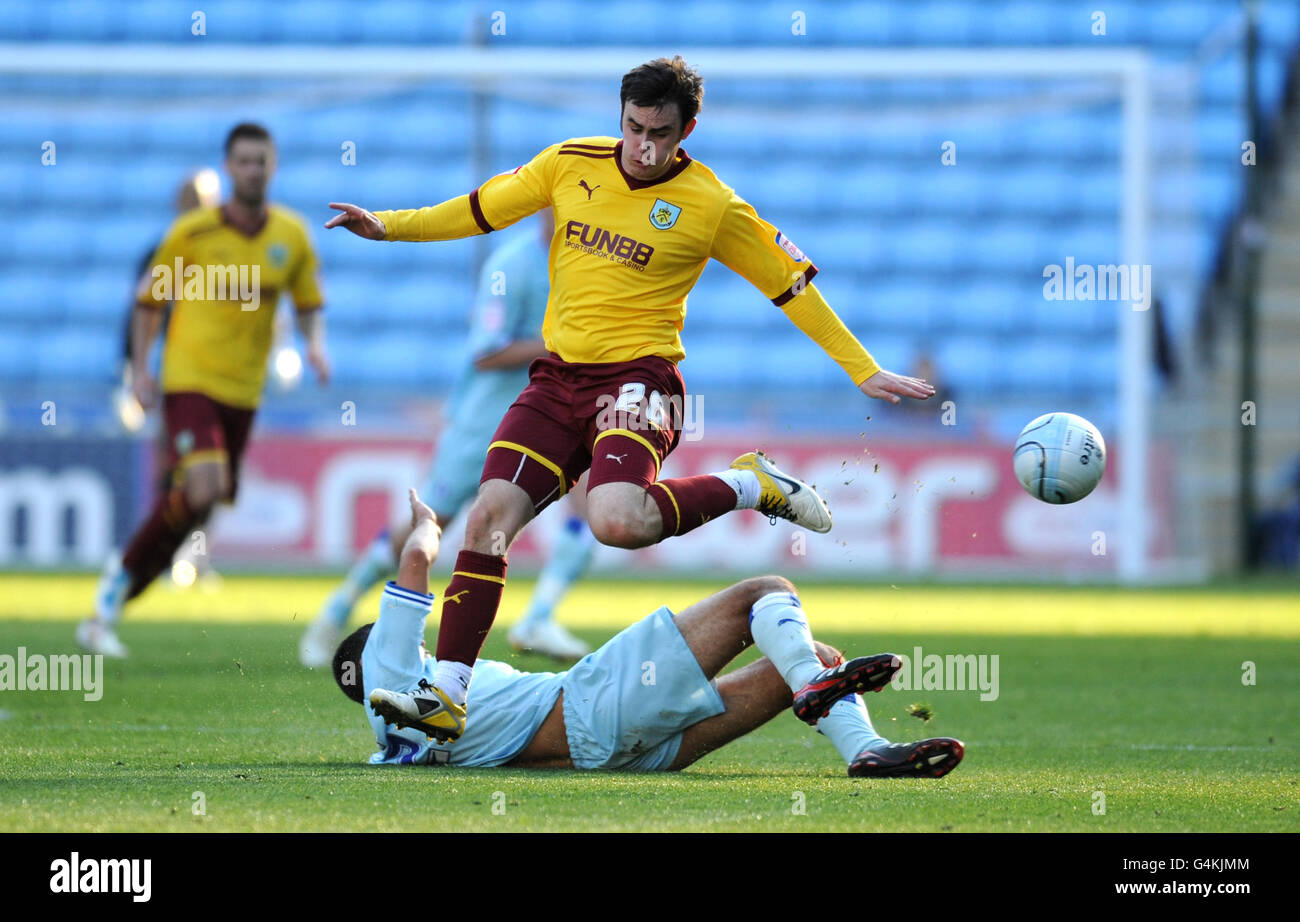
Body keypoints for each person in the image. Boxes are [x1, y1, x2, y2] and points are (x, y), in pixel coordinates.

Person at [325, 56, 935, 741]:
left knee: (619, 522)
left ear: (688, 129)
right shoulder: (569, 163)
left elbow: (788, 285)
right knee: (487, 518)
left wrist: (862, 368)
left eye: (660, 133)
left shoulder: (712, 204)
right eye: (633, 127)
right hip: (557, 380)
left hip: (642, 380)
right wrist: (388, 225)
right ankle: (448, 690)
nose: (643, 147)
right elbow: (480, 210)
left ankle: (748, 483)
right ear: (619, 116)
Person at [335, 488, 965, 778]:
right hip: (591, 704)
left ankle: (865, 750)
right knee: (767, 593)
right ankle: (749, 485)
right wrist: (425, 520)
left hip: (610, 758)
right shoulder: (390, 674)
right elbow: (416, 564)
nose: (417, 644)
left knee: (810, 659)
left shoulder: (392, 739)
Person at [78, 122, 330, 658]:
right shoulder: (191, 234)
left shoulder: (290, 236)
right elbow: (149, 304)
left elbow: (307, 302)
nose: (253, 170)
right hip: (190, 380)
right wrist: (142, 371)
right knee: (206, 486)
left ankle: (118, 587)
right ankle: (124, 582)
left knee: (197, 501)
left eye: (261, 160)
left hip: (244, 391)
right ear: (228, 167)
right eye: (243, 161)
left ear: (273, 166)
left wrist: (313, 347)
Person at [300, 210, 594, 666]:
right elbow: (486, 351)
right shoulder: (512, 266)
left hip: (548, 416)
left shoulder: (586, 265)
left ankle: (538, 617)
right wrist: (559, 342)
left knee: (590, 507)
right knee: (431, 524)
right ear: (549, 205)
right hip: (484, 420)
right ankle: (336, 609)